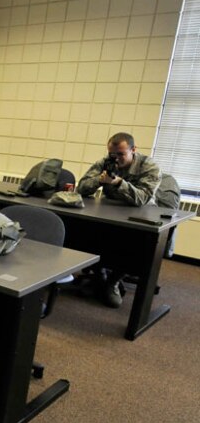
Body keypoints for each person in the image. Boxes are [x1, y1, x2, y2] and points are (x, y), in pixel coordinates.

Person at [76, 132, 162, 308]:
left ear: (133, 150)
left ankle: (113, 281)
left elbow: (143, 198)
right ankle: (99, 274)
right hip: (110, 212)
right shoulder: (105, 162)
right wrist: (99, 181)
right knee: (86, 232)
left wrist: (118, 182)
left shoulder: (149, 166)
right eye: (112, 154)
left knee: (131, 245)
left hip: (141, 216)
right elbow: (82, 187)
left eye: (121, 154)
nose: (116, 159)